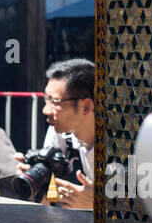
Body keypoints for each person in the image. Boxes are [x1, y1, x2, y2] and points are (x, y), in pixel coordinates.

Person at [18, 58, 96, 209]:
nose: (45, 110)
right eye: (46, 100)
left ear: (86, 106)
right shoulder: (60, 132)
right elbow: (48, 206)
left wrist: (99, 205)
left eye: (54, 102)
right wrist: (36, 182)